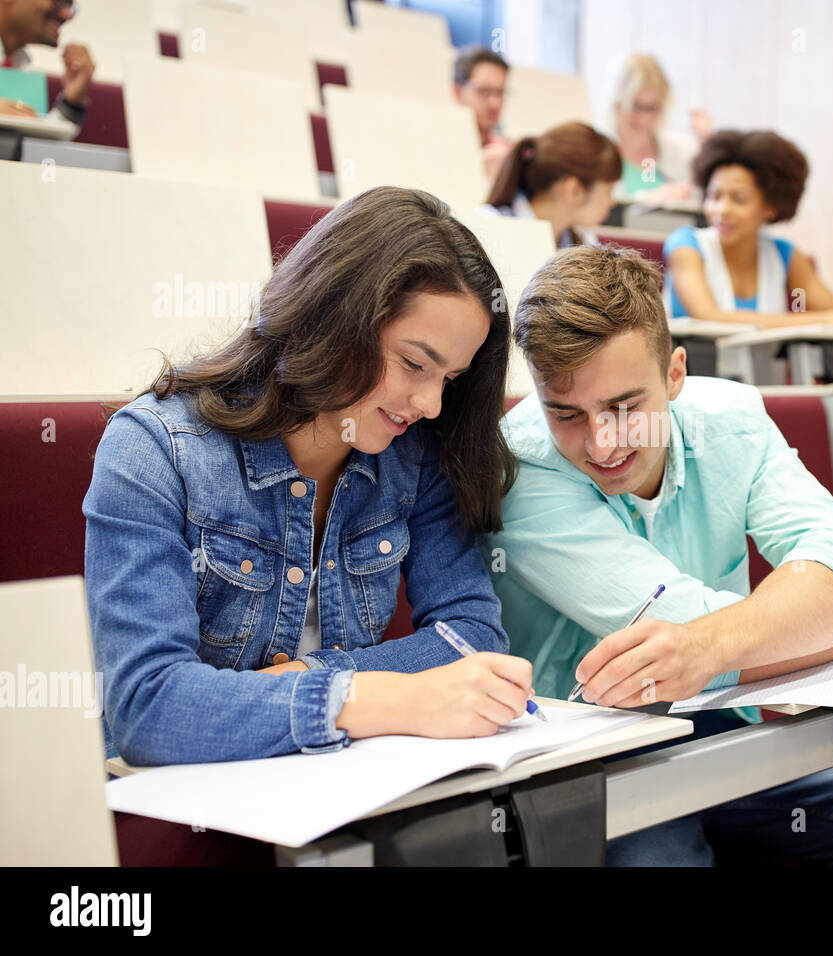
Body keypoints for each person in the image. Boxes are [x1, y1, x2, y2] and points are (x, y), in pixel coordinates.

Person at [485, 244, 833, 866]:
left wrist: (709, 646)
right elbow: (674, 637)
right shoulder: (518, 467)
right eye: (565, 412)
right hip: (582, 756)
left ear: (676, 373)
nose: (601, 442)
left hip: (720, 726)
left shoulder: (732, 418)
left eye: (626, 407)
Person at [83, 187, 535, 769]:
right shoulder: (152, 449)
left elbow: (472, 636)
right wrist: (377, 696)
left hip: (342, 790)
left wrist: (316, 678)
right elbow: (149, 708)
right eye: (414, 364)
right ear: (332, 319)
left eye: (450, 379)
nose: (430, 404)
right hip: (186, 810)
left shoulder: (415, 454)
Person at [663, 129, 833, 330]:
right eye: (714, 196)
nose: (722, 209)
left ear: (770, 206)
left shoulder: (785, 256)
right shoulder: (685, 245)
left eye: (739, 199)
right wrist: (826, 320)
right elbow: (709, 316)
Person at [481, 121, 620, 249]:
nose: (612, 202)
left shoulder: (584, 241)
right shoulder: (488, 226)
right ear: (574, 190)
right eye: (608, 191)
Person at [608, 53, 709, 204]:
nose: (644, 118)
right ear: (617, 103)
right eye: (636, 106)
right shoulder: (599, 155)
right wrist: (653, 199)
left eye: (652, 108)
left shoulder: (684, 150)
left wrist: (707, 145)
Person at [0, 0, 93, 130]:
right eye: (59, 1)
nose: (68, 15)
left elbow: (30, 141)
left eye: (71, 6)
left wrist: (71, 104)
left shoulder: (17, 64)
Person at [452, 46, 511, 182]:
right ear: (457, 92)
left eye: (500, 93)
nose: (495, 103)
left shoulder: (507, 153)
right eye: (484, 91)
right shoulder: (436, 145)